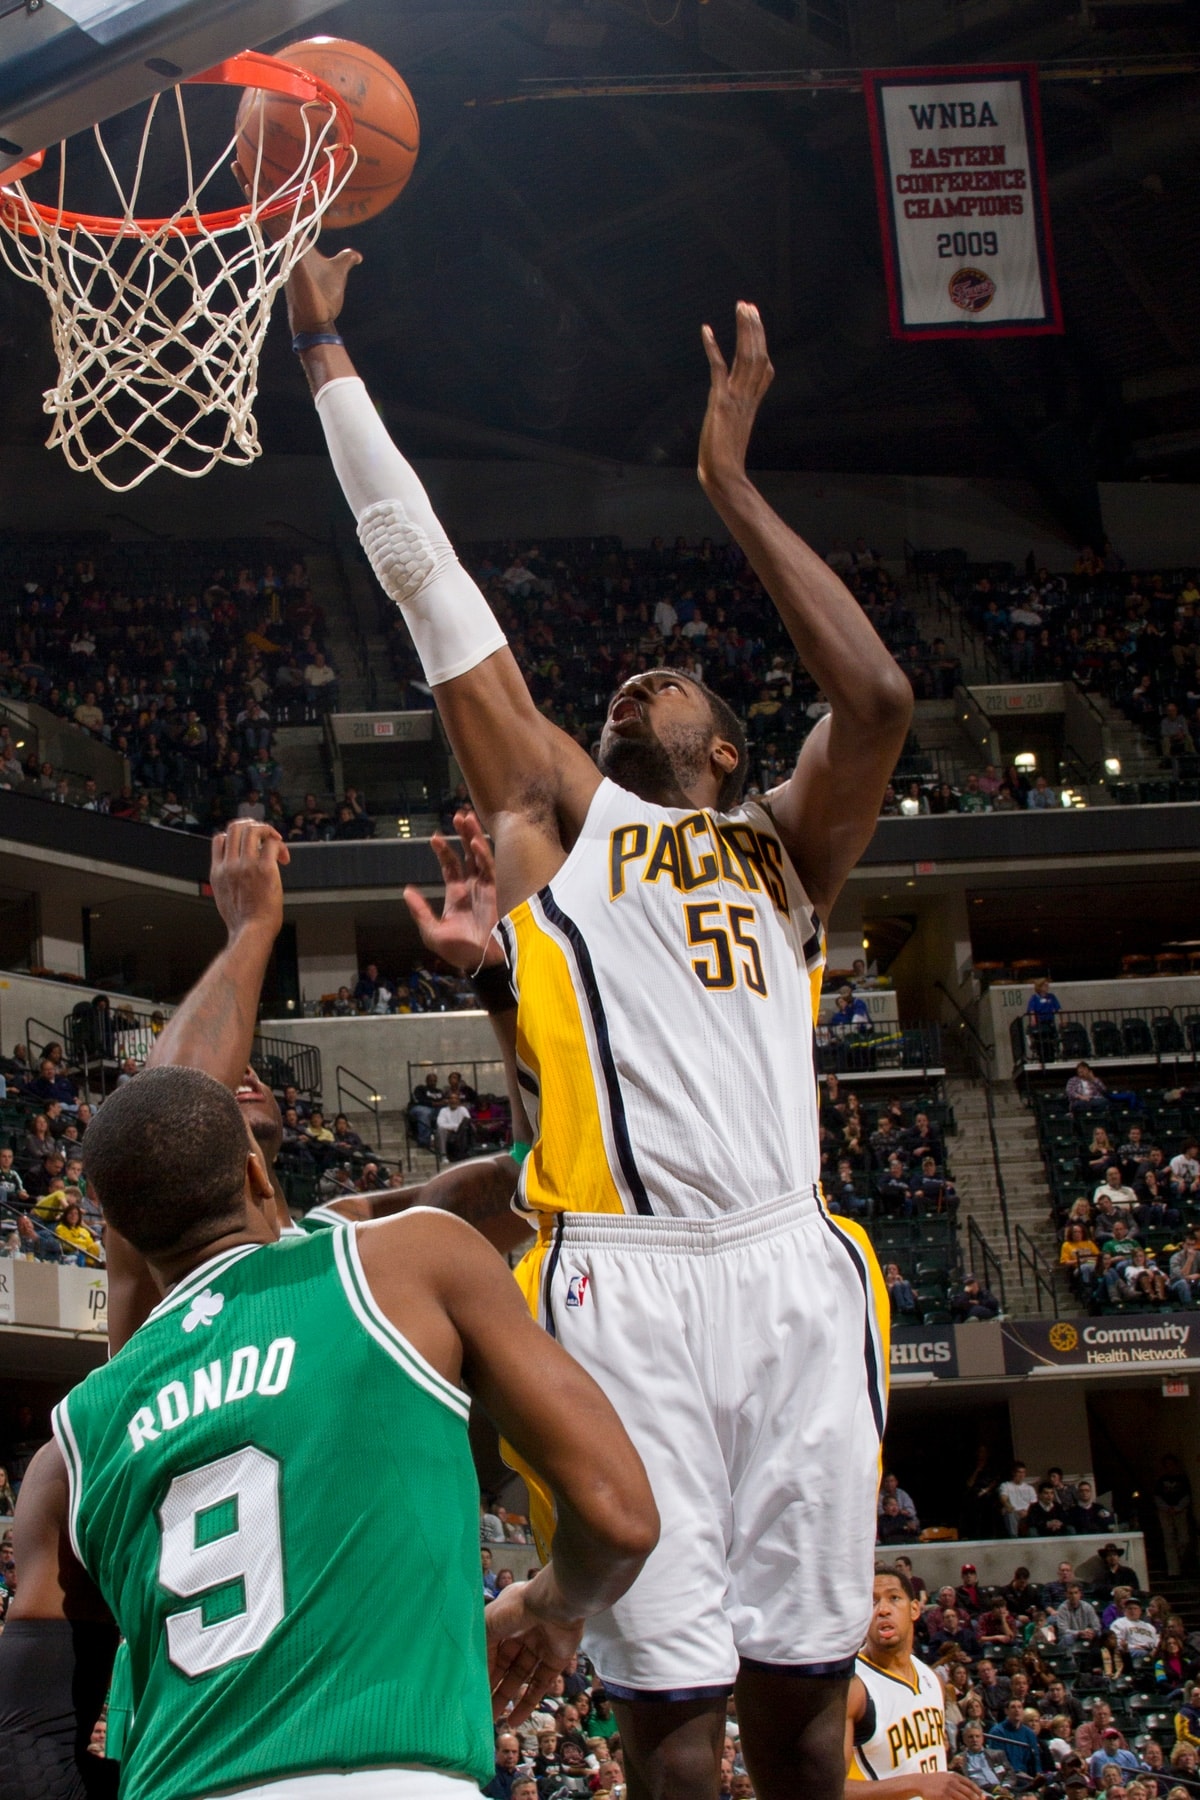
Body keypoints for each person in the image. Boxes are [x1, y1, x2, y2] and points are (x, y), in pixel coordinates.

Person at [289, 247, 911, 1800]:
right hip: (620, 1282)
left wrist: (731, 481)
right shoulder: (560, 819)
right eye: (629, 685)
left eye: (676, 685)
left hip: (790, 1263)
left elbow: (883, 700)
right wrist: (325, 355)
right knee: (675, 1723)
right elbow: (429, 585)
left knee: (803, 1710)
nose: (642, 684)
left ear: (733, 747)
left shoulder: (789, 847)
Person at [0, 1065, 659, 1800]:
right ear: (256, 1171)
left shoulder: (75, 1438)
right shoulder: (398, 1264)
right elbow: (620, 1516)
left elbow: (27, 1740)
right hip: (397, 1772)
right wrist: (548, 1603)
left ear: (110, 1223)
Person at [843, 1568, 977, 1797]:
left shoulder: (932, 1680)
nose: (883, 1609)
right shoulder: (852, 1688)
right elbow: (824, 1789)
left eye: (893, 1598)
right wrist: (918, 1784)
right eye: (872, 1602)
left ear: (915, 1609)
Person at [1154, 1456, 1192, 1578]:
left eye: (1172, 1464)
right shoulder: (1161, 1480)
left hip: (1180, 1511)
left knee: (1184, 1540)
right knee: (1169, 1541)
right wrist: (1166, 1508)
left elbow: (1187, 1495)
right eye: (1167, 1464)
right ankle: (1173, 1571)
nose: (1170, 1467)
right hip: (1165, 1512)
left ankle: (1180, 1561)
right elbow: (1157, 1496)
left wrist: (1178, 1508)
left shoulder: (1183, 1479)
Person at [999, 1463, 1038, 1538]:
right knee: (1008, 1512)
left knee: (1034, 1514)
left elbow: (1034, 1504)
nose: (1021, 1475)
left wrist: (1027, 1512)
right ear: (1013, 1473)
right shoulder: (1006, 1485)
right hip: (1014, 1512)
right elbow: (1003, 1498)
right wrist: (1009, 1507)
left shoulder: (1029, 1488)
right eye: (1019, 1472)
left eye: (1023, 1472)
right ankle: (1014, 1537)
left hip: (1027, 1513)